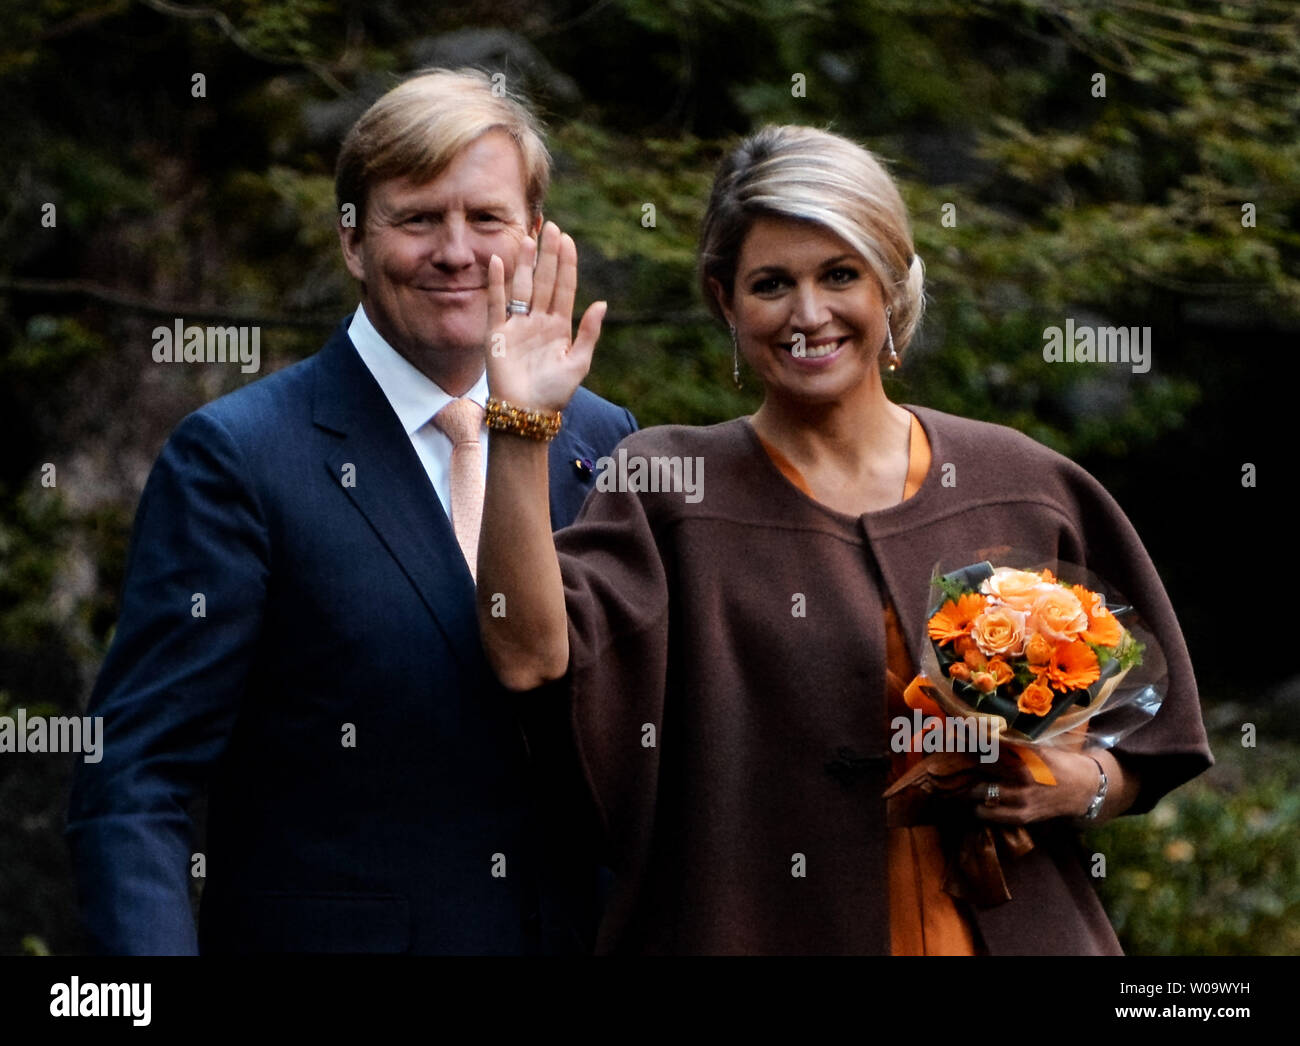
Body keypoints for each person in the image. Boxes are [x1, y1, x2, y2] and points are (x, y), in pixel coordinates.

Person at [474, 124, 1212, 955]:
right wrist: (522, 425)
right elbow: (529, 657)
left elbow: (1150, 743)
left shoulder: (1020, 478)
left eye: (840, 275)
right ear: (725, 300)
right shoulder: (667, 484)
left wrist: (1081, 786)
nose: (809, 314)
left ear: (890, 288)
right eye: (771, 284)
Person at [65, 68, 635, 954]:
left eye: (486, 219)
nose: (456, 252)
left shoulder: (600, 440)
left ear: (532, 239)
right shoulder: (240, 458)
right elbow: (136, 784)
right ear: (353, 243)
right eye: (416, 219)